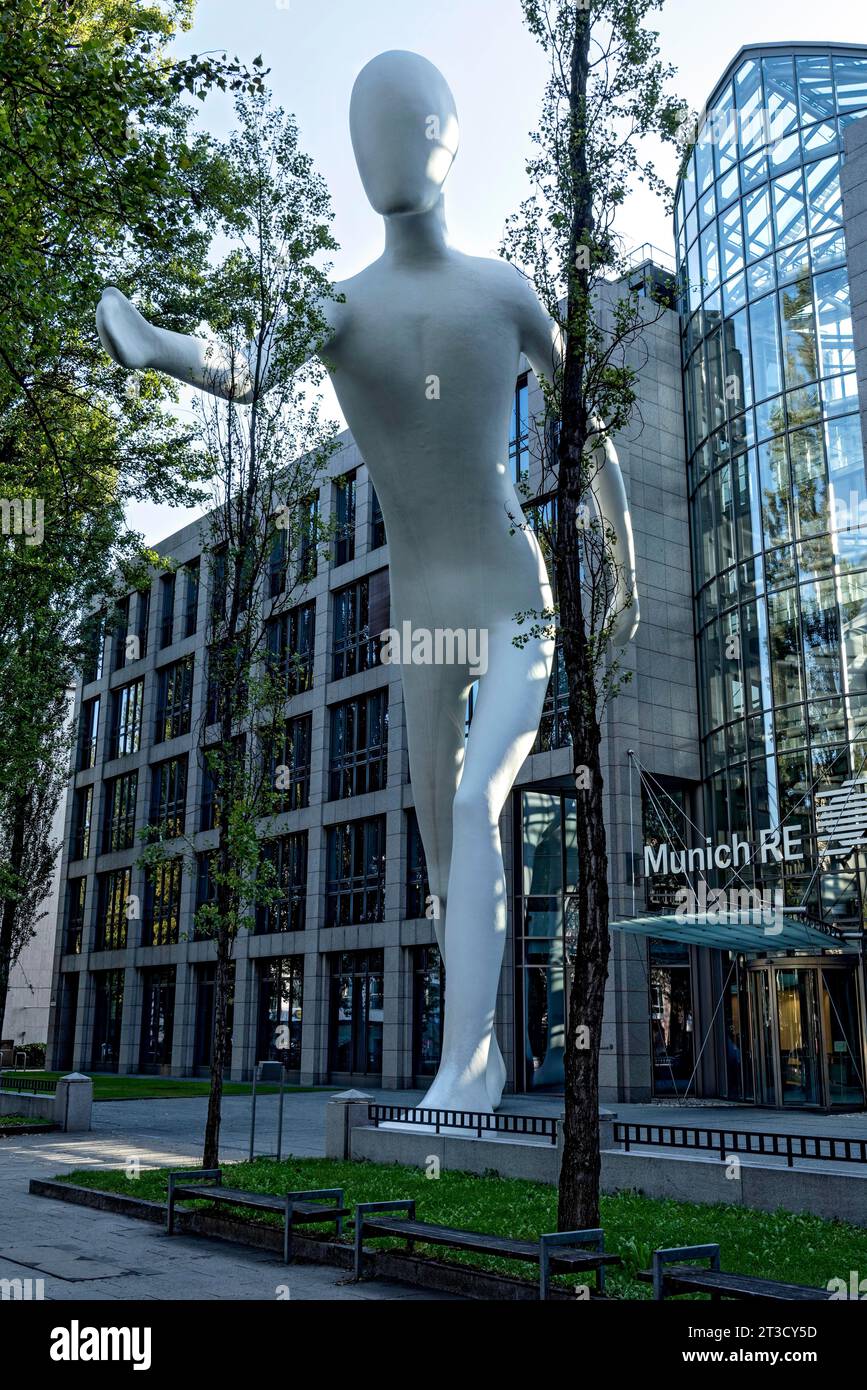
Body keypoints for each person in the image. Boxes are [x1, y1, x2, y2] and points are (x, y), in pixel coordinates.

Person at [97, 50, 637, 1112]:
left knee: (482, 796)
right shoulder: (338, 307)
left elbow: (591, 420)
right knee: (443, 841)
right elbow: (246, 368)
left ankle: (461, 1072)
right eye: (367, 133)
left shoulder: (504, 290)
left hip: (508, 597)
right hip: (419, 616)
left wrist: (618, 571)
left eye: (409, 124)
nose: (385, 148)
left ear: (447, 139)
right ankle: (473, 1051)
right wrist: (161, 346)